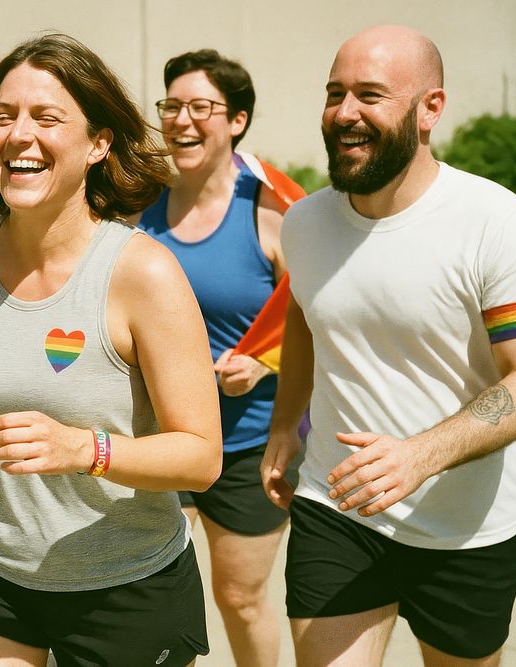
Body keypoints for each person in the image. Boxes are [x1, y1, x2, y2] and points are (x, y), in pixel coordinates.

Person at [0, 33, 223, 667]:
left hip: (124, 583)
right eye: (4, 116)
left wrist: (82, 449)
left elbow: (201, 457)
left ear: (98, 144)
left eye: (46, 118)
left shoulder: (143, 274)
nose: (20, 135)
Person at [261, 24, 516, 667]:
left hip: (466, 529)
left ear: (430, 108)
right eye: (335, 93)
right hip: (337, 509)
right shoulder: (304, 223)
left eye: (370, 95)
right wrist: (284, 424)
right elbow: (304, 316)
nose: (344, 112)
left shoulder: (495, 222)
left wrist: (419, 456)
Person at [136, 50, 298, 667]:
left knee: (240, 597)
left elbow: (317, 312)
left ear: (237, 120)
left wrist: (266, 361)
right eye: (172, 106)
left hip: (246, 445)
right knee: (147, 597)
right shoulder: (139, 205)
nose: (182, 120)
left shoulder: (272, 211)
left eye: (200, 107)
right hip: (156, 439)